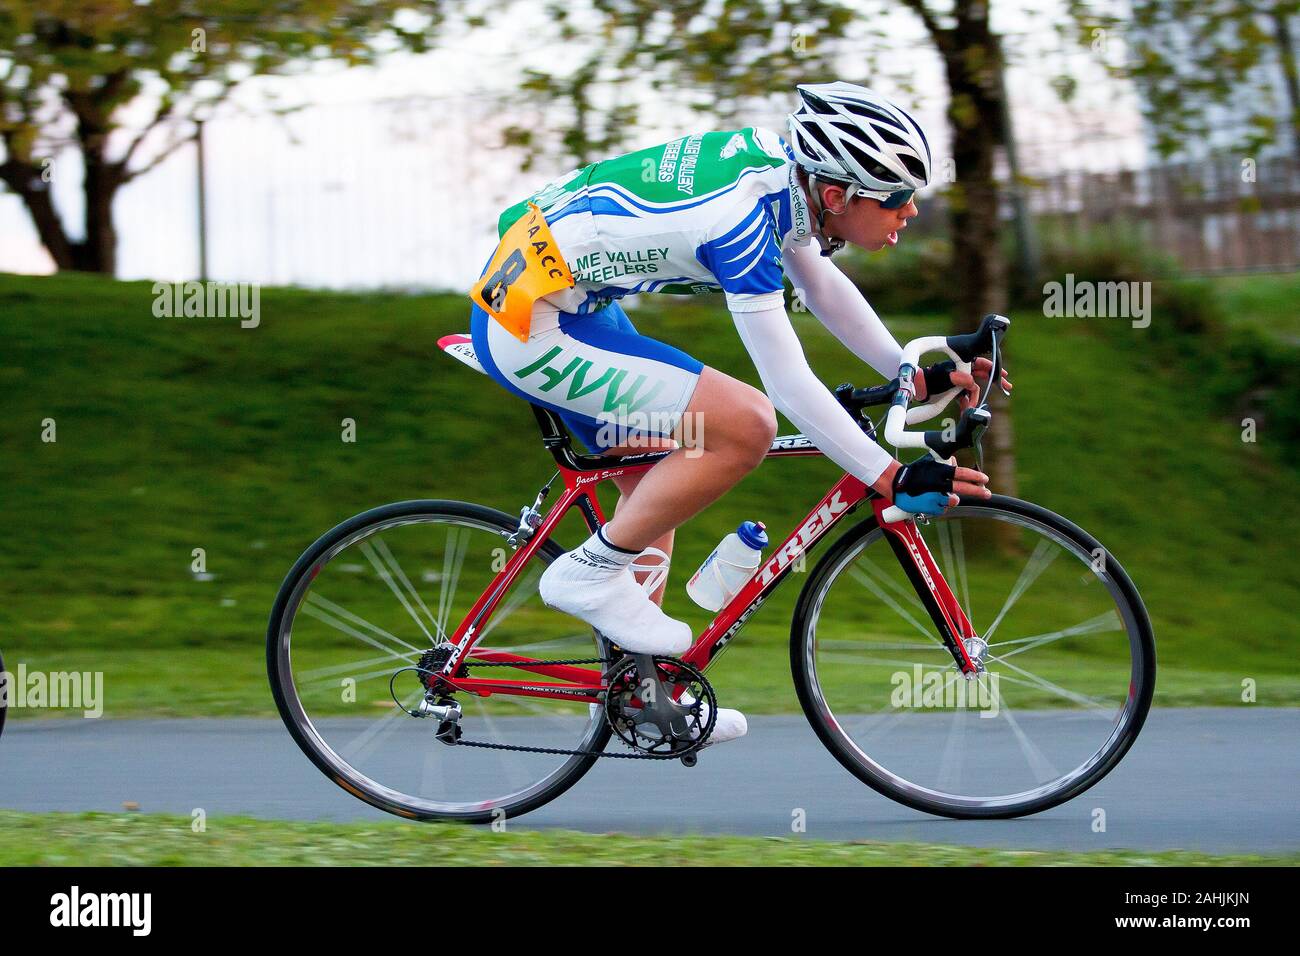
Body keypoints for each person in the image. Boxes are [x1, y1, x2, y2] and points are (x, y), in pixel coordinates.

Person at [467, 82, 1010, 745]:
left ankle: (638, 695)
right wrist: (889, 478)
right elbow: (786, 385)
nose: (912, 210)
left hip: (560, 298)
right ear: (837, 196)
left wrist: (908, 372)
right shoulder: (741, 224)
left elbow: (819, 282)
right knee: (745, 425)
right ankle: (588, 572)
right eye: (895, 197)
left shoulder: (784, 178)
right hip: (531, 326)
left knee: (655, 476)